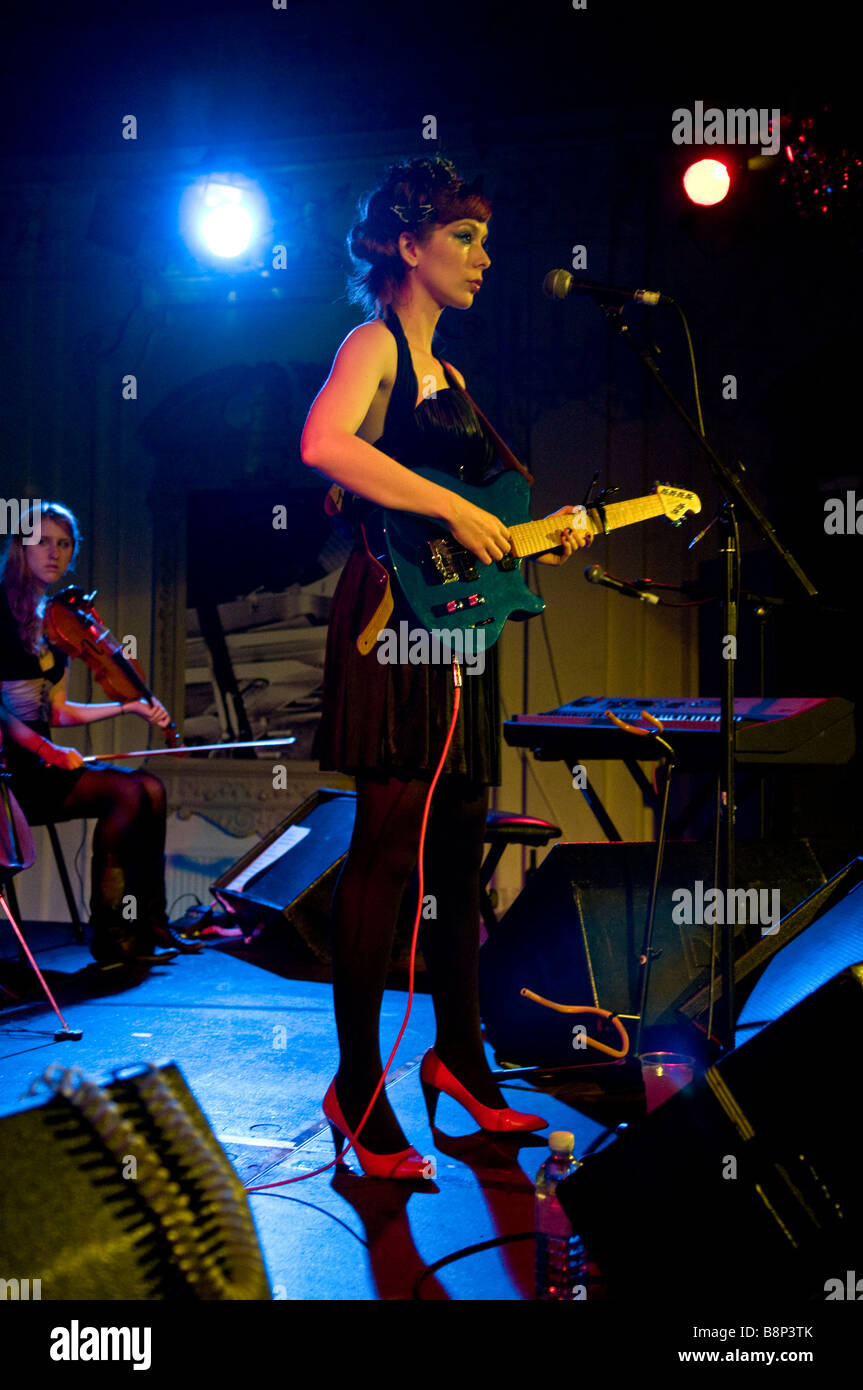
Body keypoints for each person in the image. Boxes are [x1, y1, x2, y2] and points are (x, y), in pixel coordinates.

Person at [301, 156, 592, 1179]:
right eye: (462, 238)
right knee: (383, 851)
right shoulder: (369, 344)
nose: (481, 256)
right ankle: (355, 1086)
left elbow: (473, 520)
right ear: (408, 246)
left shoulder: (453, 379)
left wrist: (524, 533)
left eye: (483, 238)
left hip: (458, 636)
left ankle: (459, 1061)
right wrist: (453, 509)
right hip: (391, 625)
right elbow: (324, 444)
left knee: (458, 845)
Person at [0, 502, 201, 966]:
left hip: (40, 762)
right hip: (9, 774)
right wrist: (44, 746)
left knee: (150, 787)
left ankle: (150, 925)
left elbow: (58, 710)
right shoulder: (1, 611)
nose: (55, 553)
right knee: (125, 794)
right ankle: (112, 939)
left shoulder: (51, 619)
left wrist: (127, 705)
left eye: (64, 544)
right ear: (20, 547)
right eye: (43, 542)